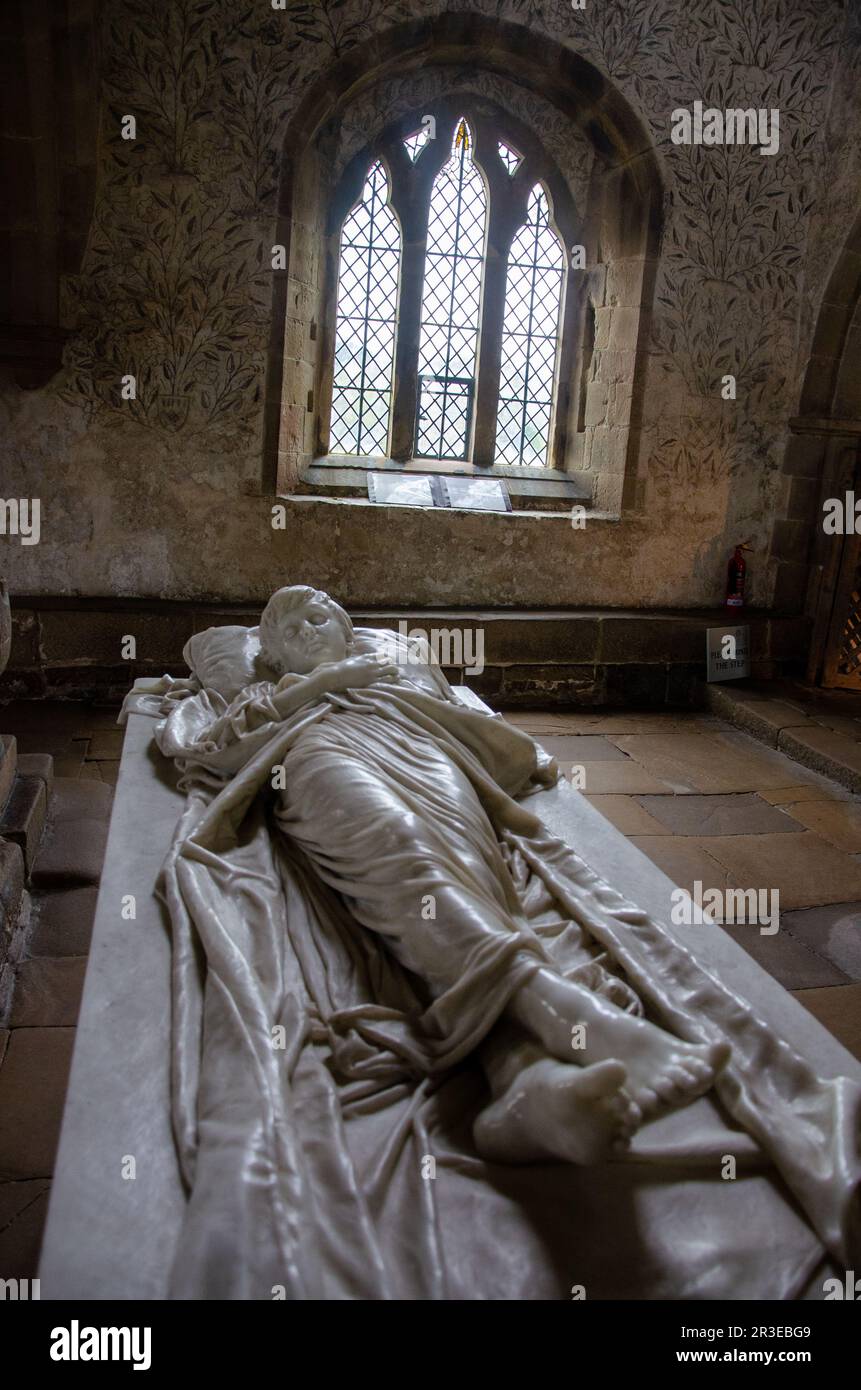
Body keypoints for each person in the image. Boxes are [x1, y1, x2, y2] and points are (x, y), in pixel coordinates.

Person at [210, 584, 727, 1167]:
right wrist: (323, 686)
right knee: (401, 843)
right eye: (288, 633)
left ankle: (520, 1079)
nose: (306, 631)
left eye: (315, 617)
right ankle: (570, 1013)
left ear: (344, 625)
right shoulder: (269, 692)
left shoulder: (391, 665)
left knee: (468, 867)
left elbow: (453, 714)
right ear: (274, 656)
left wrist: (375, 678)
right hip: (322, 754)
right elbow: (221, 745)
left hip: (422, 750)